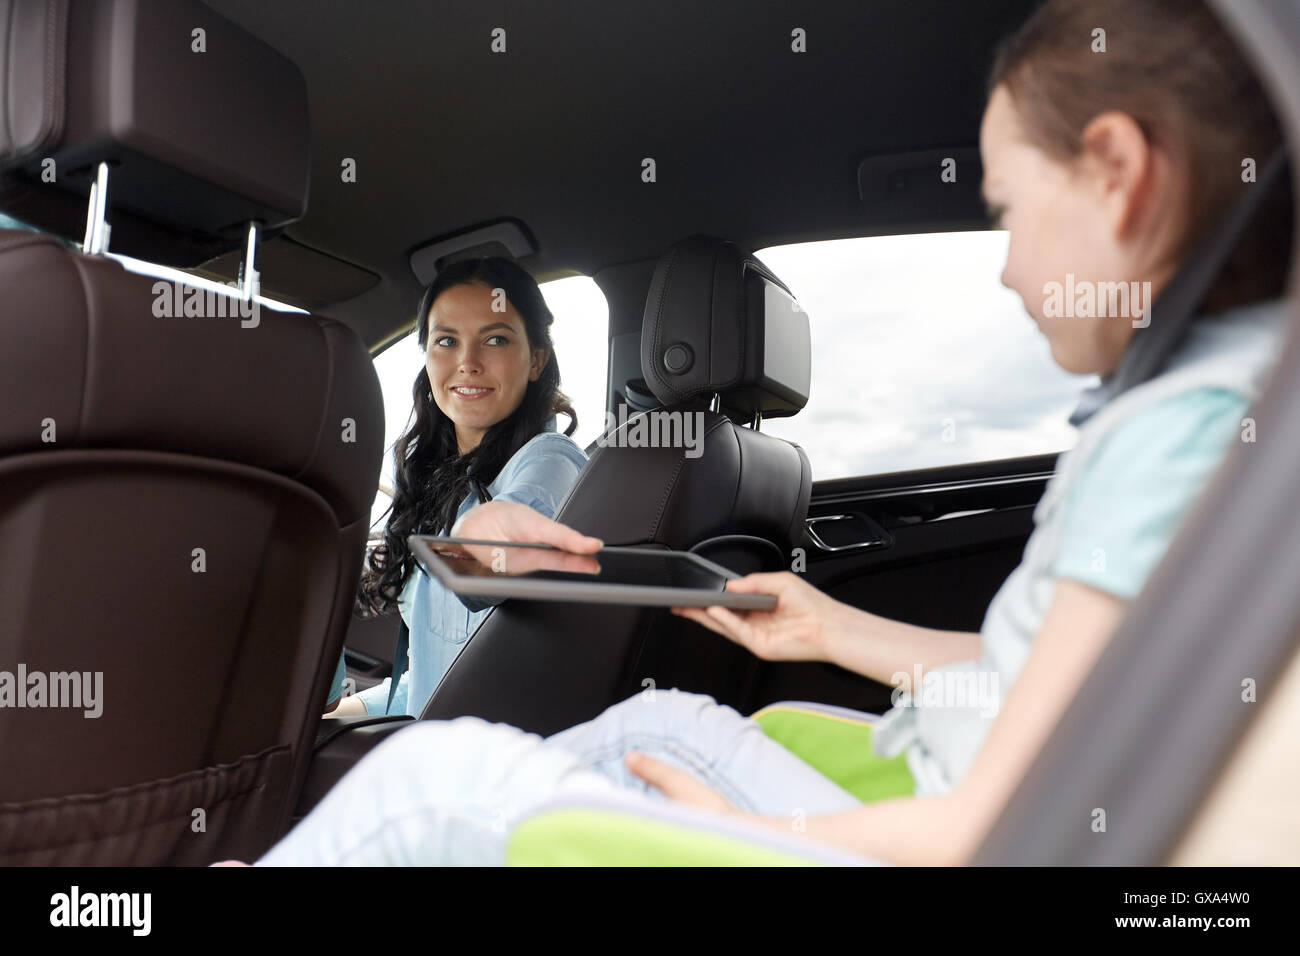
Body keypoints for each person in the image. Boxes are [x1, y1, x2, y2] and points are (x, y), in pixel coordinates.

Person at [247, 0, 1293, 865]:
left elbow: (1002, 824)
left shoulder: (1176, 432)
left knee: (429, 781)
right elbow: (1039, 679)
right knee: (665, 724)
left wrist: (752, 833)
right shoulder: (1208, 405)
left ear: (1116, 171)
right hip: (952, 791)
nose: (1011, 265)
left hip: (955, 833)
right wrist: (828, 627)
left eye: (1009, 211)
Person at [325, 257, 587, 718]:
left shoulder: (550, 461)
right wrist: (349, 713)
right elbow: (440, 675)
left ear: (536, 361)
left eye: (496, 339)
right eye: (447, 341)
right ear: (427, 358)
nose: (467, 363)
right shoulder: (437, 478)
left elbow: (490, 557)